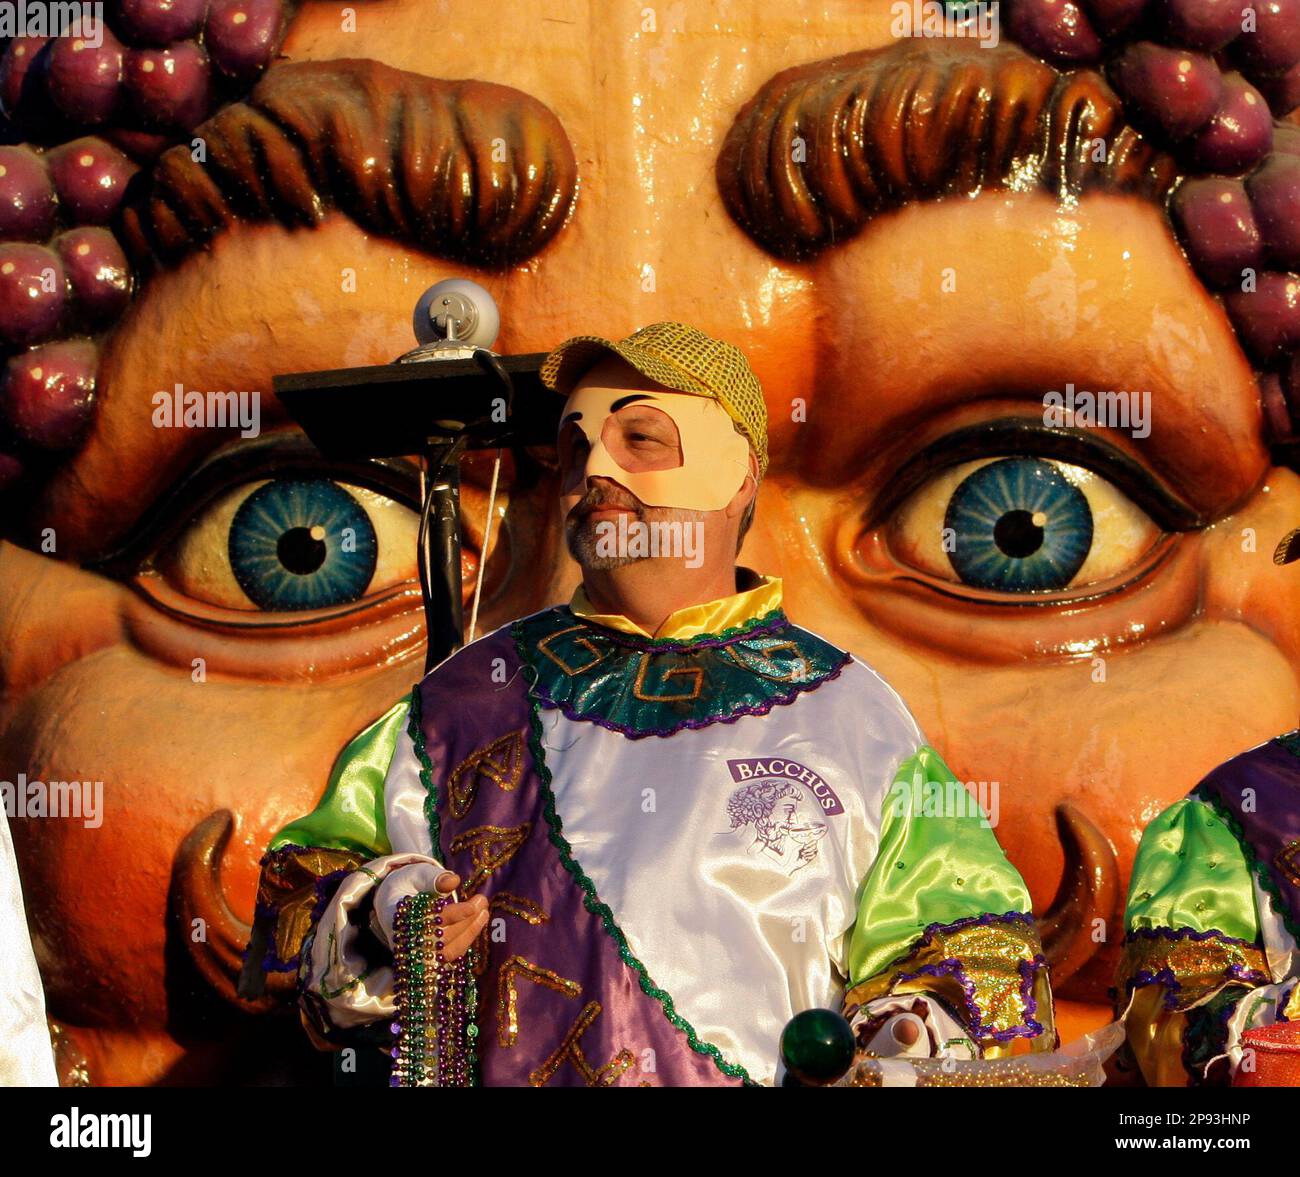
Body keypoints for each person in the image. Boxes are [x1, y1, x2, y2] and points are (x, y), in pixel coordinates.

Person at [241, 322, 1056, 1086]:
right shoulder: (459, 702)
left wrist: (904, 1036)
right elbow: (301, 893)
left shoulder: (851, 714)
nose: (596, 469)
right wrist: (393, 909)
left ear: (738, 477)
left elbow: (971, 944)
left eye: (640, 438)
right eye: (574, 446)